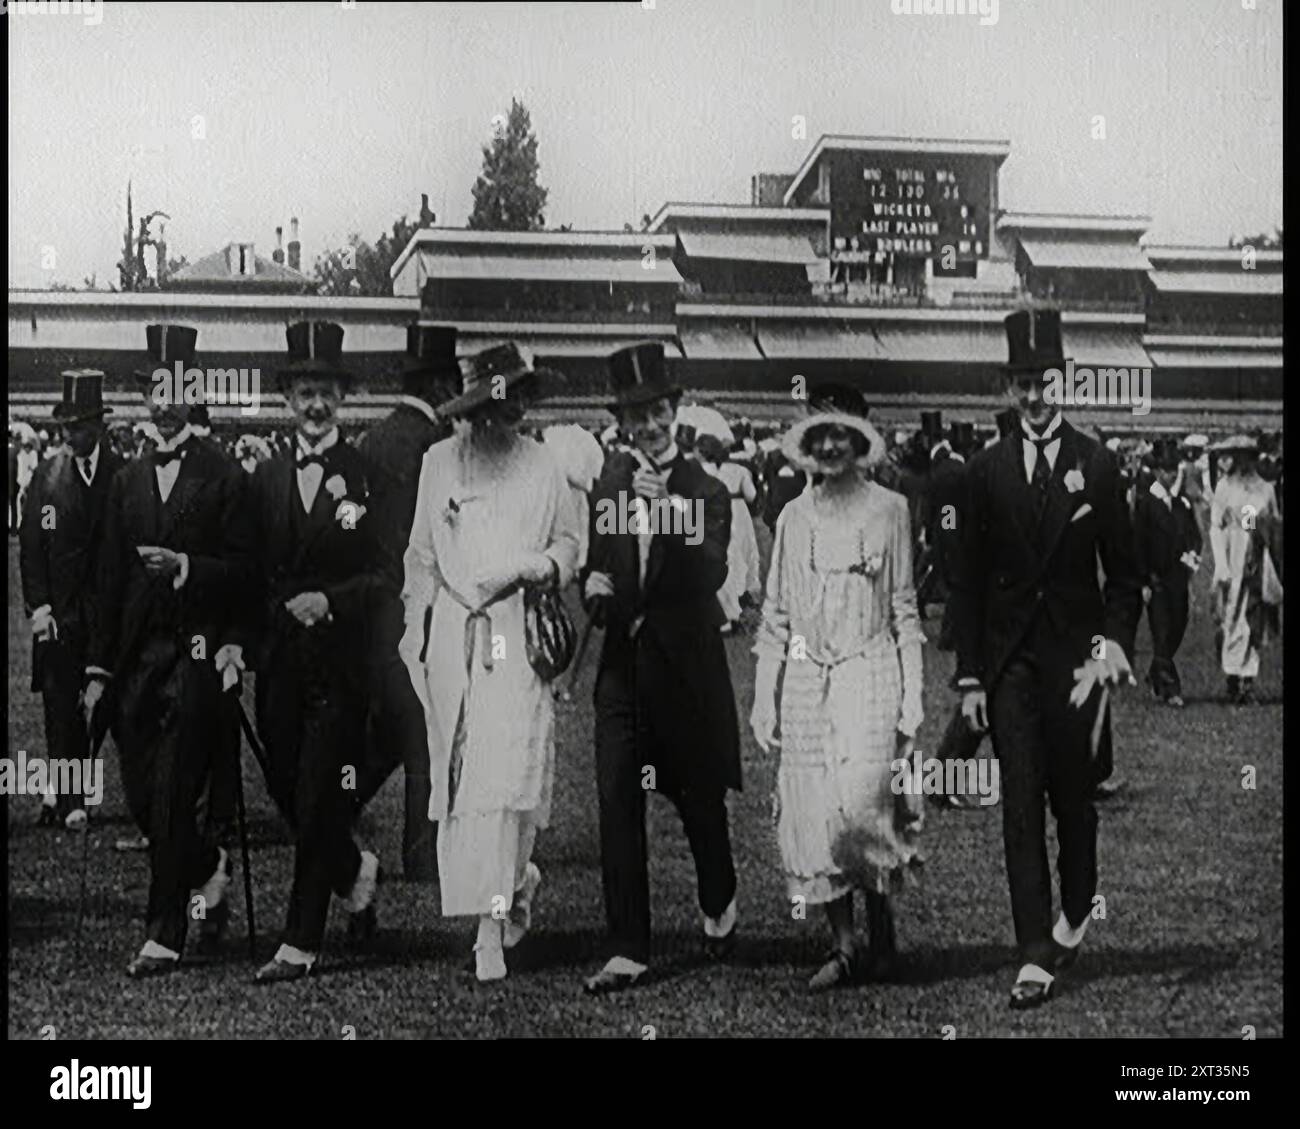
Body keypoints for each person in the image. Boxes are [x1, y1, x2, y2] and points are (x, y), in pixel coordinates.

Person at [947, 309, 1141, 1009]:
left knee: (1074, 803)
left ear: (1065, 382)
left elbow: (1124, 576)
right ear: (1009, 386)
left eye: (1046, 383)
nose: (1035, 397)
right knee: (1020, 803)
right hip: (1009, 666)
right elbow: (964, 583)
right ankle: (1033, 951)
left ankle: (1078, 905)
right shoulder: (983, 471)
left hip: (1078, 664)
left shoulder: (1097, 463)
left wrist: (1116, 640)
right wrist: (970, 676)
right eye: (1023, 384)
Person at [400, 343, 579, 982]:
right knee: (465, 782)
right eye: (489, 410)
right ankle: (512, 884)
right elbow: (420, 556)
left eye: (513, 408)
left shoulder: (543, 466)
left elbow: (569, 544)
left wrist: (542, 565)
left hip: (513, 630)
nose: (501, 421)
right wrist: (413, 632)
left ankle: (489, 930)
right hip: (456, 631)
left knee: (506, 773)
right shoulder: (438, 463)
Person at [83, 326, 256, 977]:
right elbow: (106, 581)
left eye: (178, 389)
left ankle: (165, 930)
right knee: (140, 795)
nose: (166, 402)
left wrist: (187, 564)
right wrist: (99, 670)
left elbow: (244, 570)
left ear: (195, 391)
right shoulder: (126, 480)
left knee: (173, 790)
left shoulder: (223, 474)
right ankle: (208, 865)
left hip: (196, 653)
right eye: (155, 389)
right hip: (135, 662)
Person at [581, 342, 741, 996]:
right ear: (622, 420)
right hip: (623, 666)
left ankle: (719, 895)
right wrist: (596, 590)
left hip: (685, 668)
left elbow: (712, 569)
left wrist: (669, 510)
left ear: (675, 410)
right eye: (635, 415)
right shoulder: (612, 481)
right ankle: (628, 946)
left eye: (657, 412)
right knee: (617, 800)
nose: (647, 425)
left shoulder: (706, 487)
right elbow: (601, 557)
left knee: (698, 801)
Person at [750, 403, 925, 990]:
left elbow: (905, 609)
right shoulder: (794, 517)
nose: (830, 446)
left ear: (859, 439)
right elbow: (775, 615)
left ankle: (883, 926)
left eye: (841, 434)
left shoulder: (891, 510)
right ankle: (845, 945)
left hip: (870, 669)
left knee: (862, 804)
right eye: (819, 435)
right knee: (816, 814)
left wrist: (914, 697)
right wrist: (763, 697)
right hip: (807, 676)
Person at [237, 321, 388, 983]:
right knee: (290, 791)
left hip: (339, 663)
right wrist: (241, 644)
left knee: (321, 789)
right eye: (304, 392)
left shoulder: (365, 474)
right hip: (277, 663)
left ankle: (299, 941)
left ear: (342, 398)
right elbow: (250, 571)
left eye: (325, 391)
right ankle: (355, 872)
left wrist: (332, 601)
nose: (315, 405)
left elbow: (387, 575)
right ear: (288, 400)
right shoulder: (265, 478)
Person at [353, 324, 461, 881]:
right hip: (420, 601)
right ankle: (422, 849)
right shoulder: (434, 446)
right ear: (443, 384)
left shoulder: (375, 439)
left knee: (393, 727)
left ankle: (333, 806)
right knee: (424, 725)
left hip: (376, 604)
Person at [20, 371, 124, 828]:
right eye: (66, 427)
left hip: (104, 612)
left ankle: (63, 787)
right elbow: (31, 547)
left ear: (97, 427)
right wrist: (39, 606)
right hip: (59, 612)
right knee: (60, 703)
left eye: (79, 426)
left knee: (101, 701)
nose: (70, 435)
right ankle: (69, 798)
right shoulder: (47, 477)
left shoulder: (122, 475)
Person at [1208, 435, 1282, 705]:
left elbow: (1273, 526)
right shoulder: (1225, 488)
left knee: (1253, 619)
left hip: (1256, 562)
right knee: (1230, 618)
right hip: (1232, 556)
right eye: (1238, 457)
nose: (1243, 463)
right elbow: (1215, 526)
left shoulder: (1265, 489)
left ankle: (1247, 681)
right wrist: (1221, 564)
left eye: (1247, 457)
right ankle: (1232, 676)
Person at [1134, 438, 1202, 707]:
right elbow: (1138, 543)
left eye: (1174, 469)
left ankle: (1155, 673)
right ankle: (1171, 687)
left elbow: (1195, 538)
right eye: (1166, 469)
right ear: (1157, 471)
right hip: (1157, 577)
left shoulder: (1181, 503)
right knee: (1161, 633)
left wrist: (1190, 563)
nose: (1171, 474)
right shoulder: (1146, 501)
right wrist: (1143, 580)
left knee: (1178, 627)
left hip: (1179, 576)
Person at [696, 432, 761, 632]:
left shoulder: (703, 472)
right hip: (738, 510)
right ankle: (744, 594)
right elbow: (752, 496)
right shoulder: (740, 470)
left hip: (716, 514)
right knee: (743, 550)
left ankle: (728, 606)